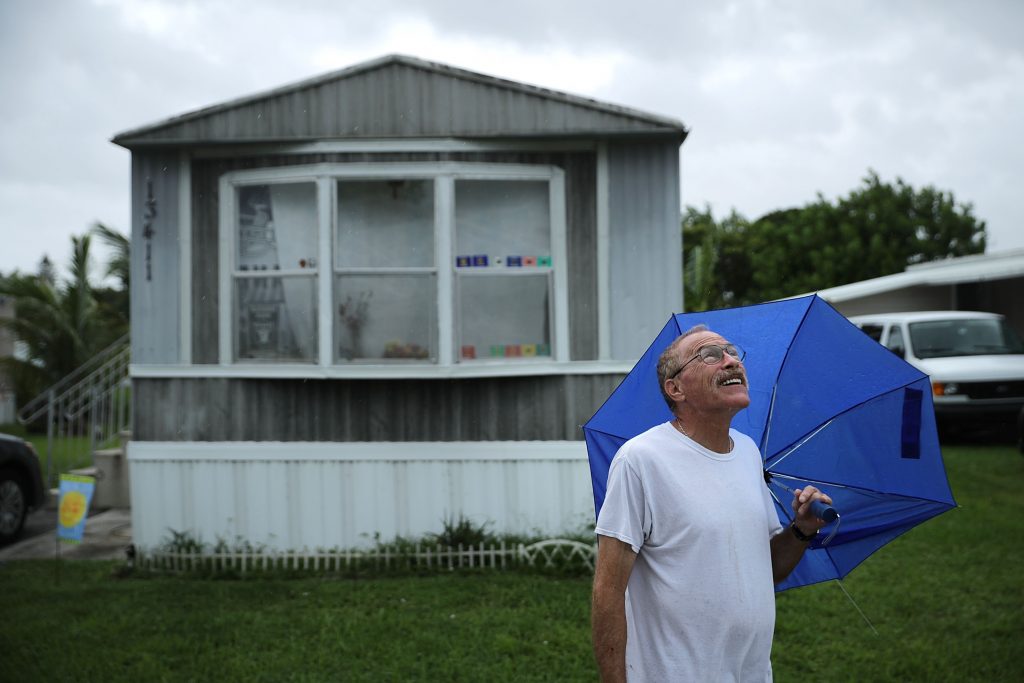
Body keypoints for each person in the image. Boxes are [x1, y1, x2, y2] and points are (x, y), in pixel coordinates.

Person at [591, 325, 832, 682]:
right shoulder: (641, 460)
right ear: (676, 388)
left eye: (733, 353)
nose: (731, 362)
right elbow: (608, 591)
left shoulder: (748, 452)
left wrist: (801, 530)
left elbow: (766, 569)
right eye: (710, 355)